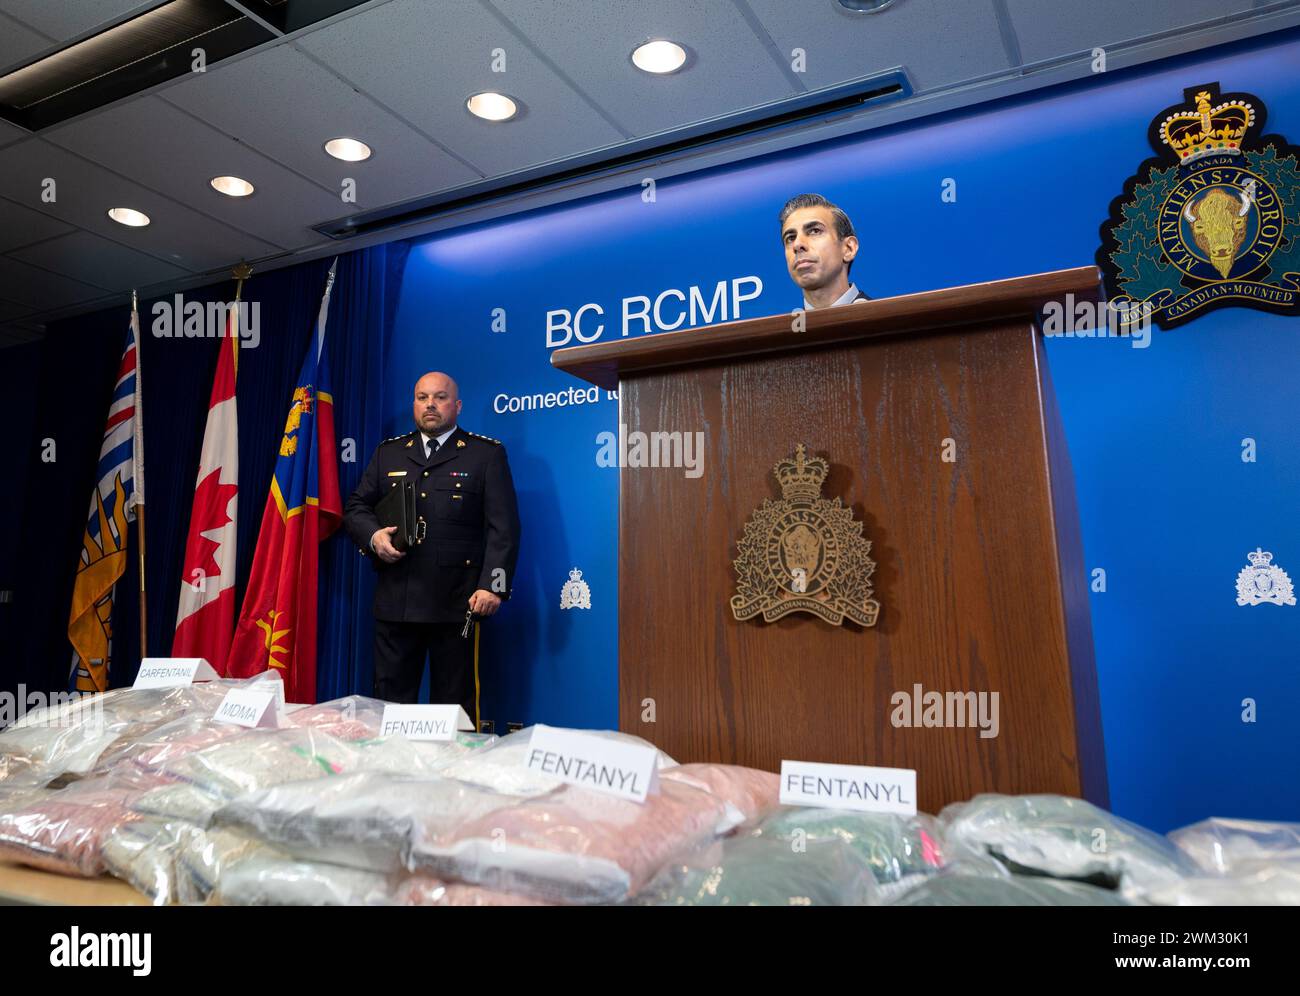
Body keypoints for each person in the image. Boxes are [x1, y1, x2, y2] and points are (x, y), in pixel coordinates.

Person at [343, 371, 520, 727]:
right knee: (389, 705)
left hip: (457, 604)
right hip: (397, 600)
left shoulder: (485, 455)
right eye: (422, 397)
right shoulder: (389, 453)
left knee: (454, 707)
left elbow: (504, 526)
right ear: (414, 404)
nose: (430, 405)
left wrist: (494, 585)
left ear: (456, 406)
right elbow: (356, 508)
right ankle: (392, 776)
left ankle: (454, 778)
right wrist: (374, 536)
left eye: (439, 398)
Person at [779, 193, 871, 309]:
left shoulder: (892, 322)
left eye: (815, 231)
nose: (797, 244)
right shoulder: (786, 327)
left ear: (849, 248)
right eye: (791, 238)